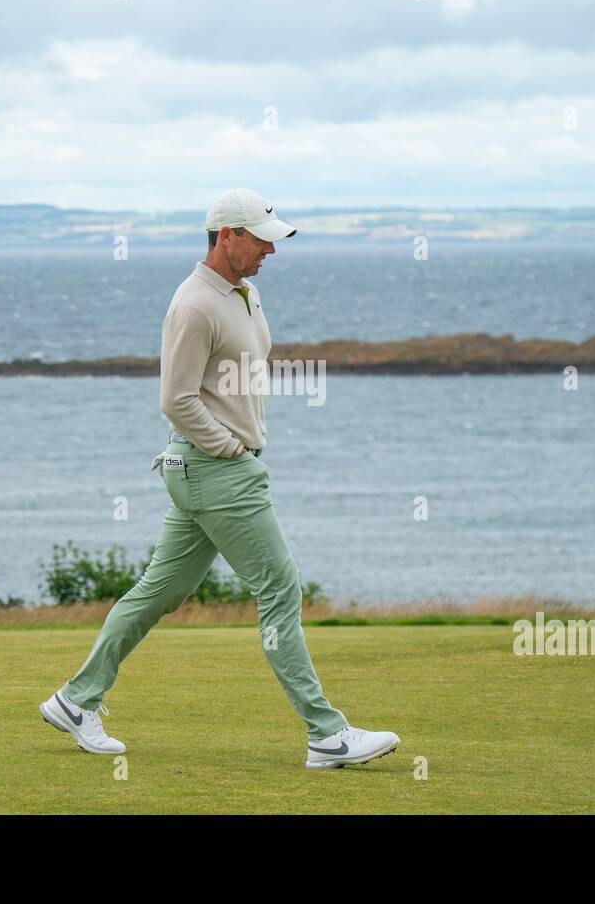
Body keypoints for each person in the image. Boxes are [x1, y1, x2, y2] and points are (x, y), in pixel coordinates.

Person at [40, 188, 400, 769]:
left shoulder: (245, 293)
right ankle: (326, 734)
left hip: (207, 471)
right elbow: (175, 399)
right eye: (261, 240)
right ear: (227, 236)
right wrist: (232, 449)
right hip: (218, 470)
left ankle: (75, 700)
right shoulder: (194, 305)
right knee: (280, 587)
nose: (269, 251)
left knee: (162, 591)